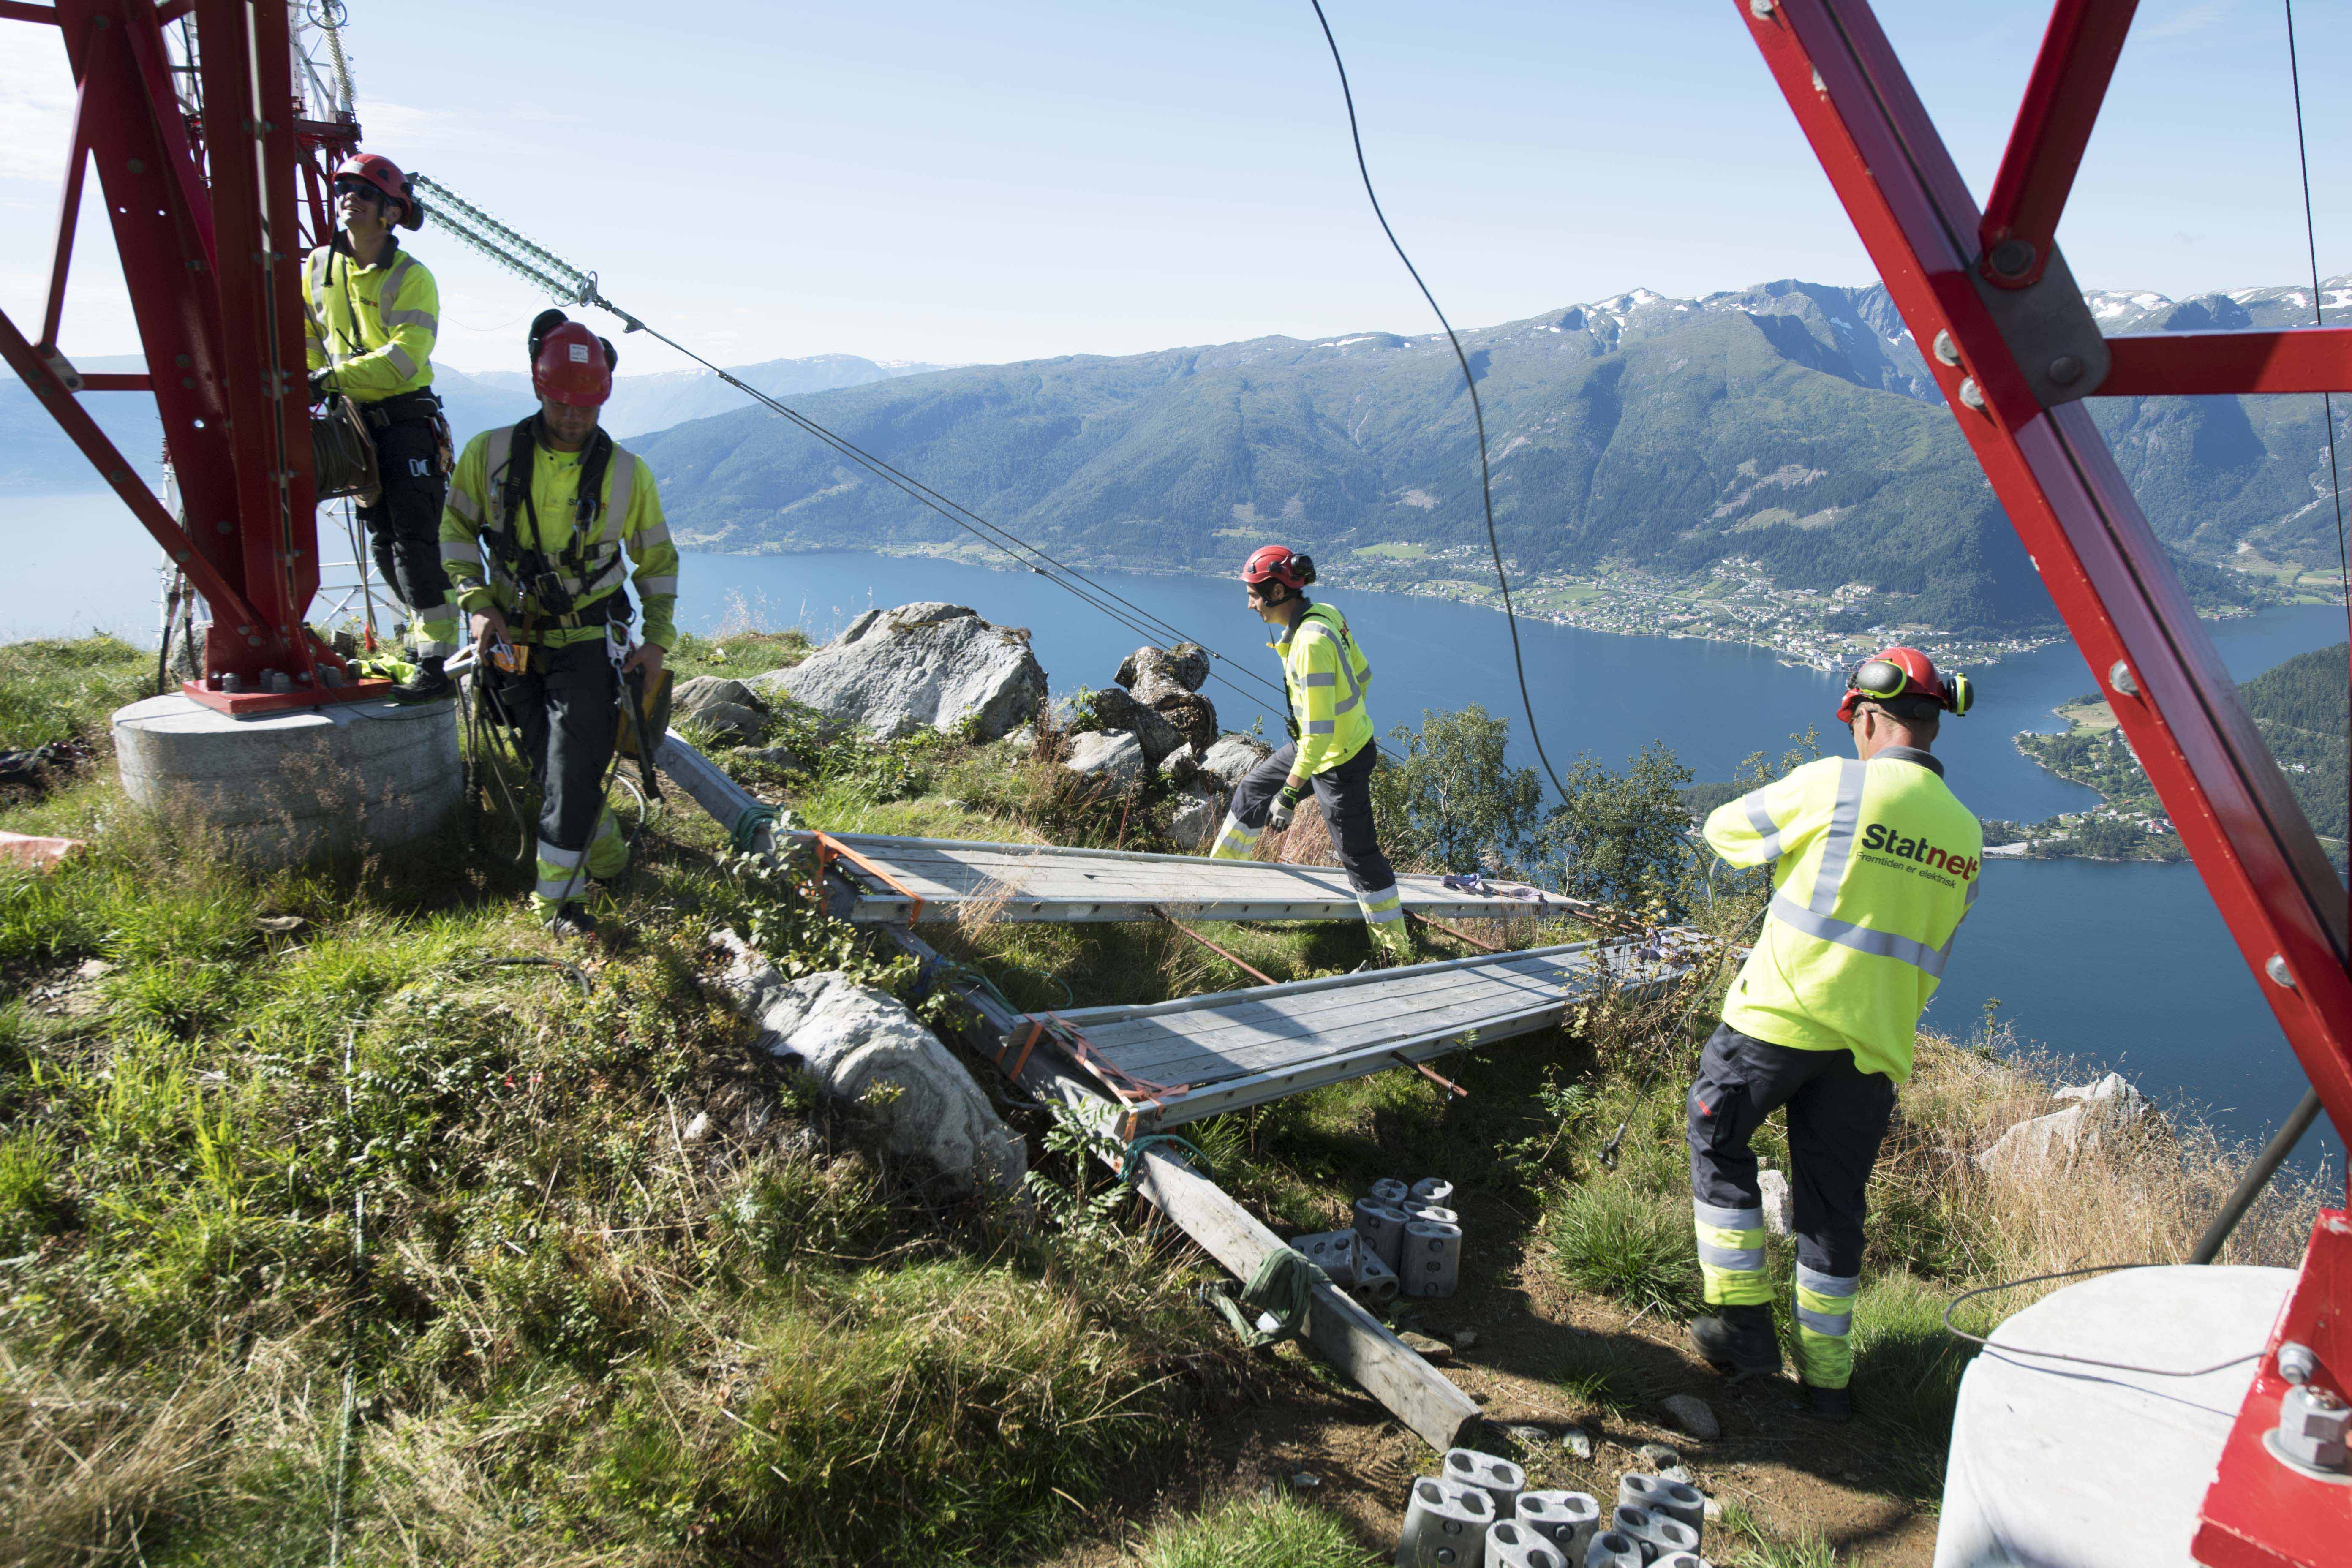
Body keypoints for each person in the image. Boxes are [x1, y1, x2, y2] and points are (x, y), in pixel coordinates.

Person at [1684, 647, 1980, 1421]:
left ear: (1872, 717)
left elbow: (1726, 830)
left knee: (1716, 1139)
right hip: (1872, 1045)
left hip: (1778, 1018)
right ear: (1933, 725)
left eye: (1855, 722)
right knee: (1830, 1207)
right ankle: (1827, 1385)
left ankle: (1742, 1326)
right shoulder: (1965, 837)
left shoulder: (1834, 783)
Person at [438, 313, 679, 937]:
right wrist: (477, 603)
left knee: (573, 765)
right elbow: (456, 533)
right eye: (562, 402)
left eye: (586, 406)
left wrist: (656, 643)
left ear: (604, 398)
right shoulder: (488, 456)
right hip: (511, 638)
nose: (573, 417)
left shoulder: (628, 474)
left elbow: (657, 563)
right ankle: (604, 856)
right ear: (540, 389)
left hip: (586, 640)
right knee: (548, 763)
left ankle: (558, 906)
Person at [1205, 545, 1411, 963]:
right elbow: (1364, 675)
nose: (1250, 605)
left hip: (1339, 762)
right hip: (1322, 747)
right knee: (1251, 792)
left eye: (1254, 595)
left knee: (1359, 856)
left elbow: (1319, 734)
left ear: (1279, 592)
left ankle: (1395, 951)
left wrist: (1290, 795)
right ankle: (1217, 893)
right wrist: (1344, 721)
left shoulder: (1309, 643)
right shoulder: (1328, 615)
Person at [302, 152, 458, 703]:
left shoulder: (413, 278)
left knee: (418, 545)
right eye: (344, 186)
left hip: (405, 421)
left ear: (391, 212)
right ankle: (425, 648)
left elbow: (406, 359)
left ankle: (437, 665)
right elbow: (306, 333)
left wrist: (328, 379)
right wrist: (315, 381)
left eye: (364, 191)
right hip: (358, 426)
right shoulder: (319, 267)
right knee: (386, 543)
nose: (350, 196)